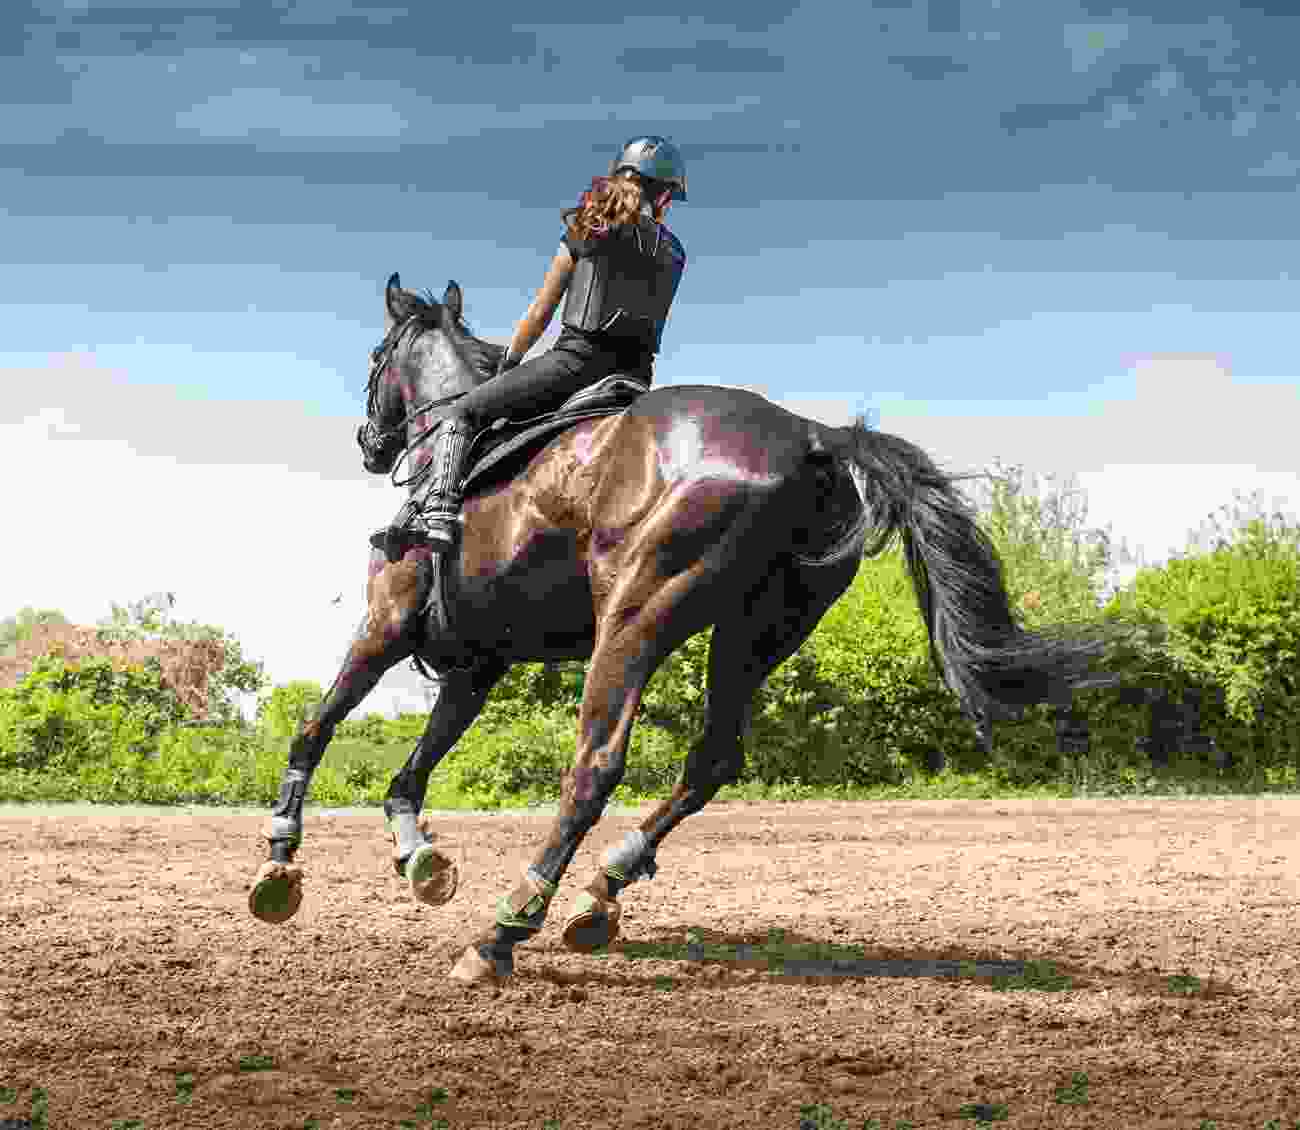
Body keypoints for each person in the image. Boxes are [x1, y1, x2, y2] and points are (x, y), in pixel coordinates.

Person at [382, 135, 689, 557]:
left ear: (619, 176)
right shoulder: (674, 252)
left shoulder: (591, 224)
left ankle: (438, 510)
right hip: (635, 383)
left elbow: (542, 310)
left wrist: (510, 361)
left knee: (462, 411)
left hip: (574, 366)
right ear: (666, 198)